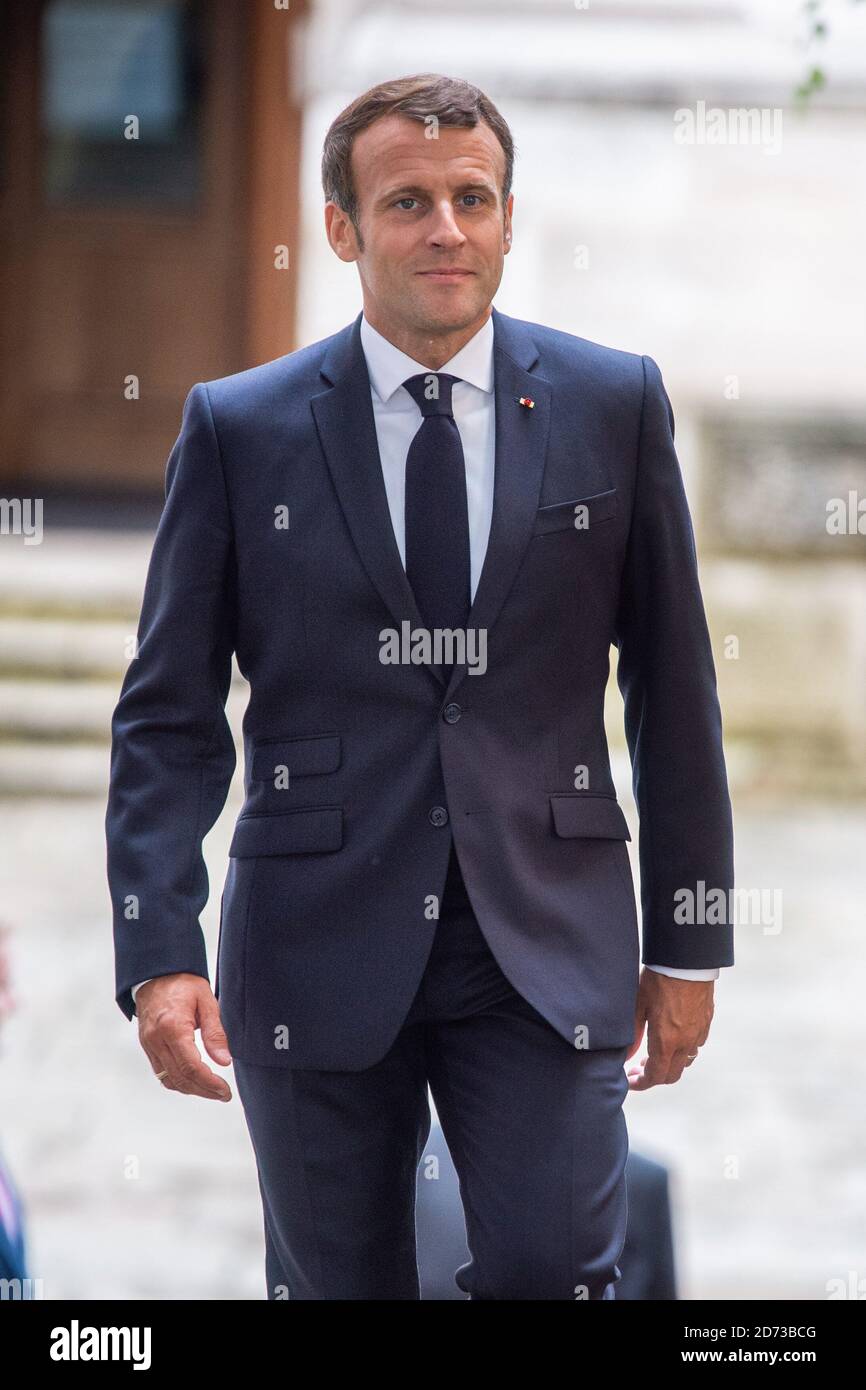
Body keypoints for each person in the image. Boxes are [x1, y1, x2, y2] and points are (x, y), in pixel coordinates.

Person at [105, 73, 734, 1300]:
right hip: (310, 940)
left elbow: (674, 687)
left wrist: (690, 940)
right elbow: (169, 712)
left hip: (545, 936)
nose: (445, 228)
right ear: (341, 227)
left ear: (506, 219)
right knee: (335, 1285)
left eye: (471, 198)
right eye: (406, 202)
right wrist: (156, 945)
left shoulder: (613, 404)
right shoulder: (241, 428)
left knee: (557, 1271)